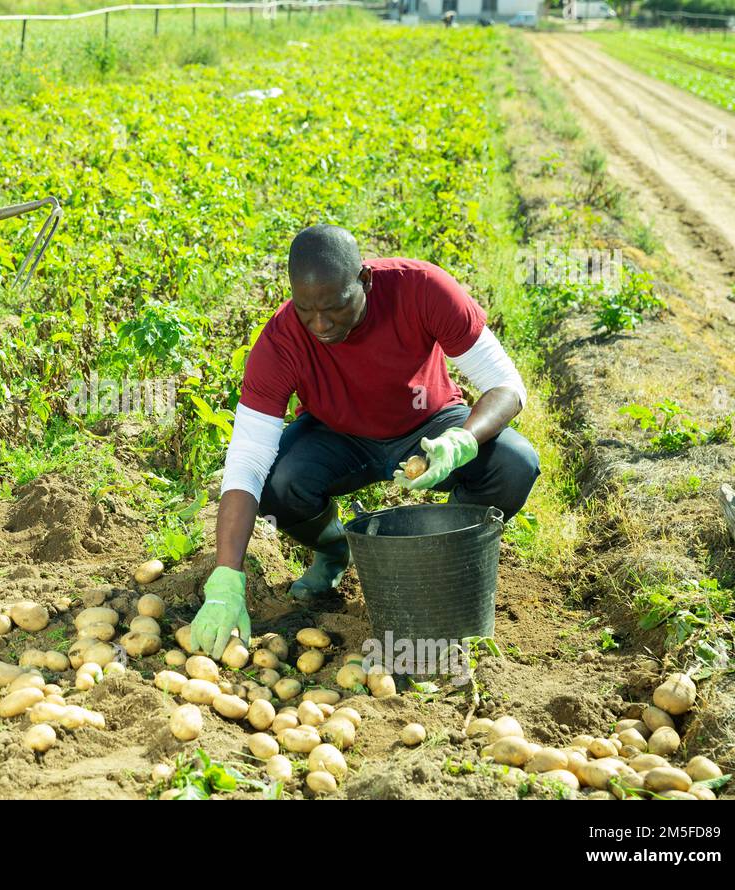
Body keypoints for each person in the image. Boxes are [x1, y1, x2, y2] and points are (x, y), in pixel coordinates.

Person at [190, 225, 540, 658]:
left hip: (429, 421)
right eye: (306, 309)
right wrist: (227, 576)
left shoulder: (422, 289)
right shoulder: (280, 343)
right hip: (338, 435)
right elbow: (246, 461)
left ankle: (445, 562)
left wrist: (461, 441)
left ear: (365, 281)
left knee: (514, 461)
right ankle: (336, 549)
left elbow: (507, 385)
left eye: (336, 307)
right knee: (278, 484)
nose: (320, 324)